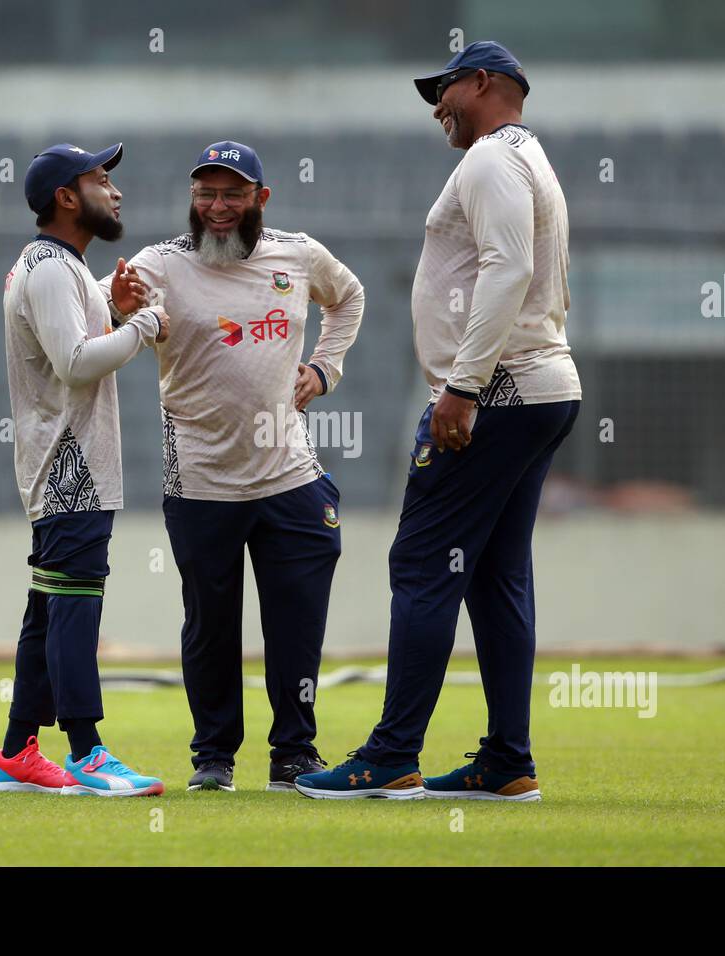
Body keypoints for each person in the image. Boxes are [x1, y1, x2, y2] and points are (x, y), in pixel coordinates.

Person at [296, 41, 582, 801]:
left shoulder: (489, 161)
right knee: (495, 573)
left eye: (444, 89)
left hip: (497, 393)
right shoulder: (529, 157)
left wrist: (463, 386)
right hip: (542, 384)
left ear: (483, 82)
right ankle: (507, 760)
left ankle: (391, 757)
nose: (436, 107)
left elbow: (509, 269)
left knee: (423, 564)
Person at [102, 141, 365, 792]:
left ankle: (294, 754)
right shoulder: (158, 265)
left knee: (296, 624)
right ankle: (213, 757)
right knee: (210, 626)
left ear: (260, 199)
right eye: (206, 194)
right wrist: (115, 306)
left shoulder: (296, 254)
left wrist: (324, 368)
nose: (217, 208)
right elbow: (109, 324)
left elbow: (349, 296)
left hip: (290, 476)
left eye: (232, 194)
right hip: (201, 478)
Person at [0, 142, 170, 797]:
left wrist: (109, 302)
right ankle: (88, 753)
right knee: (75, 604)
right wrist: (143, 324)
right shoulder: (48, 268)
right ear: (67, 196)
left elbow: (72, 332)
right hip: (72, 467)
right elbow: (74, 362)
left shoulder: (55, 266)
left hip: (64, 462)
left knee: (48, 605)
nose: (114, 191)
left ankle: (16, 753)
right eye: (100, 179)